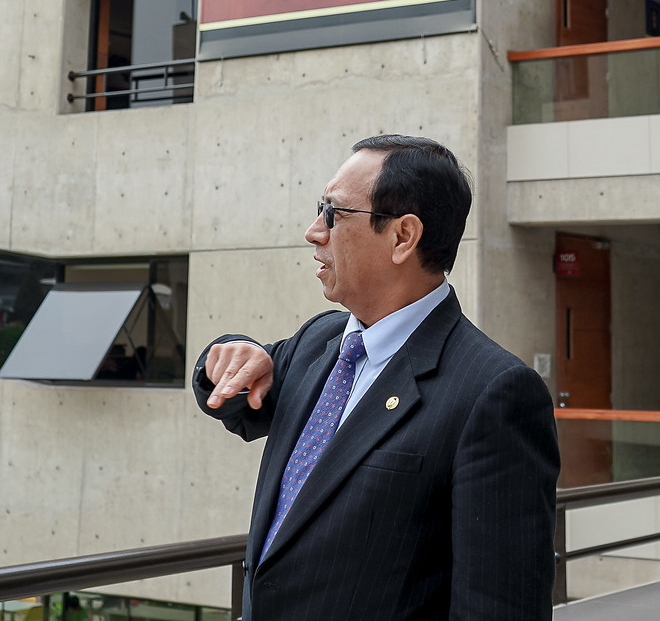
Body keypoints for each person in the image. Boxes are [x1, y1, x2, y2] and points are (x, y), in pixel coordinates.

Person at [195, 135, 558, 620]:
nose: (313, 231)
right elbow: (236, 404)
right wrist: (227, 356)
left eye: (334, 213)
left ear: (403, 237)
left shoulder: (493, 393)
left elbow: (498, 608)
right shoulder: (320, 341)